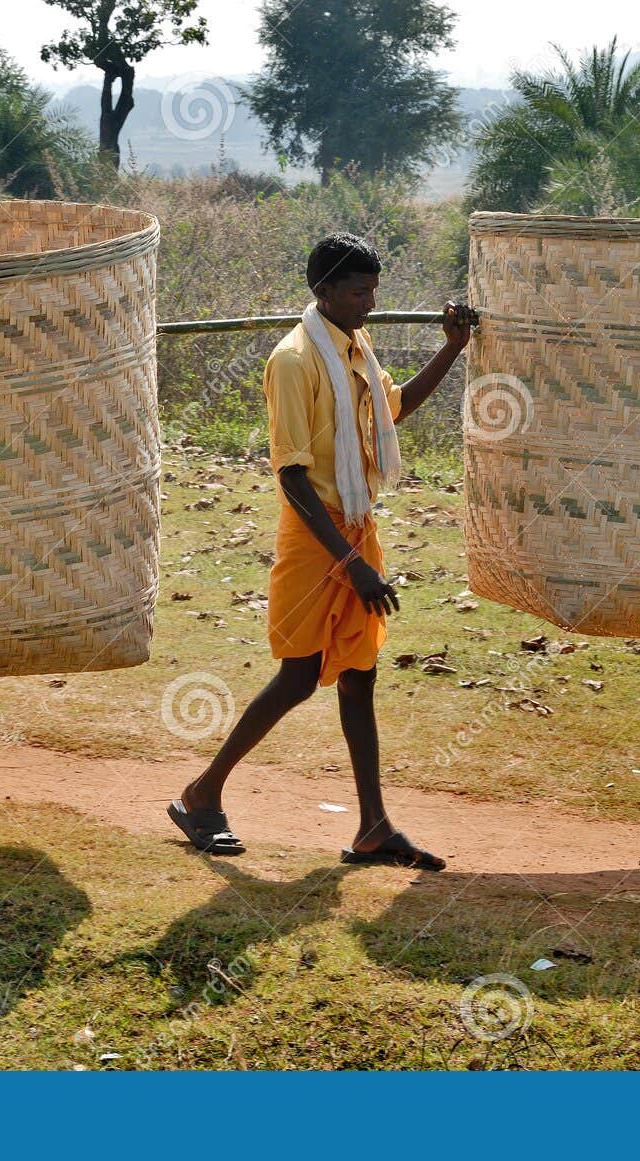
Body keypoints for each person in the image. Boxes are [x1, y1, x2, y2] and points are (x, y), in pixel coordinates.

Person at [167, 232, 477, 869]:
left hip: (355, 527)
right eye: (359, 292)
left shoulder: (354, 345)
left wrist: (452, 348)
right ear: (325, 291)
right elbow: (291, 474)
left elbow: (392, 409)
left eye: (374, 291)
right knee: (300, 675)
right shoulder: (294, 360)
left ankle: (373, 829)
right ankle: (201, 795)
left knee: (360, 673)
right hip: (318, 539)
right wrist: (350, 564)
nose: (370, 303)